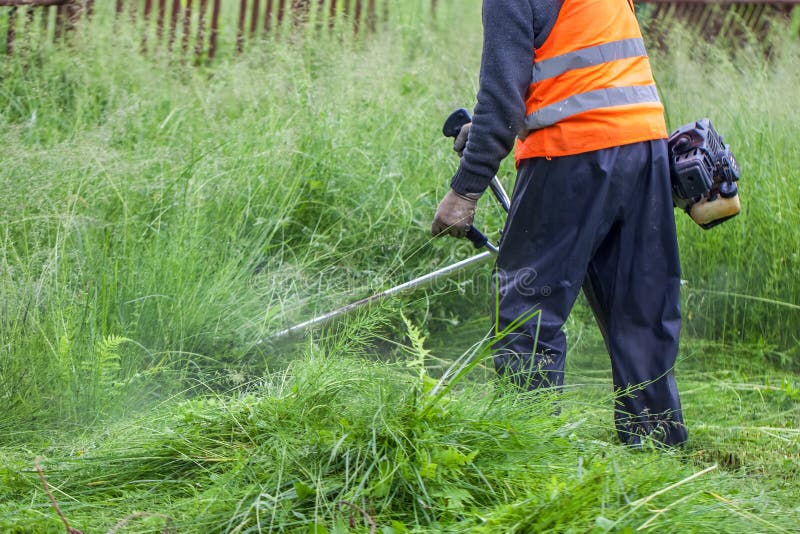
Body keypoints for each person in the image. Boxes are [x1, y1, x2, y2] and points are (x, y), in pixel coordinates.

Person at [431, 0, 687, 446]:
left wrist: (465, 191)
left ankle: (526, 455)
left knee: (524, 315)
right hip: (645, 148)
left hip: (572, 153)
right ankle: (657, 450)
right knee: (640, 313)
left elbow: (501, 99)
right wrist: (499, 130)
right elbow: (581, 67)